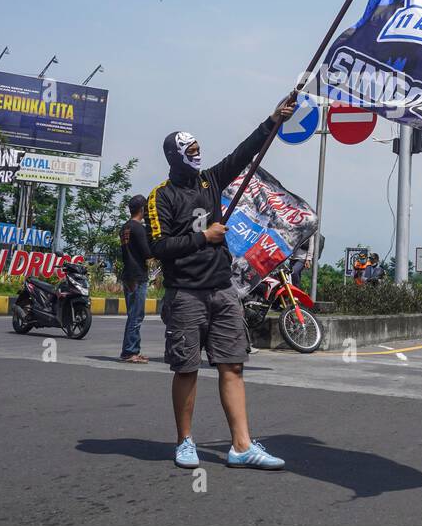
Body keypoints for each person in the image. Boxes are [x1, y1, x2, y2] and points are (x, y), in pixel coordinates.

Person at [148, 97, 296, 471]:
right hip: (185, 294)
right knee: (186, 368)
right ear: (176, 156)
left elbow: (243, 154)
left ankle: (241, 446)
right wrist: (205, 237)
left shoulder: (211, 180)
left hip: (222, 290)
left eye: (199, 149)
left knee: (233, 366)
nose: (198, 155)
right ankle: (185, 441)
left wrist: (273, 120)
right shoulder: (161, 197)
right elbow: (159, 246)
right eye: (191, 151)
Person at [119, 195, 153, 363]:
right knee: (136, 316)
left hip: (127, 274)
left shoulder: (124, 227)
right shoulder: (138, 228)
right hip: (138, 275)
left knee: (133, 314)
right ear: (142, 209)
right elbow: (147, 253)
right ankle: (130, 352)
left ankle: (131, 350)